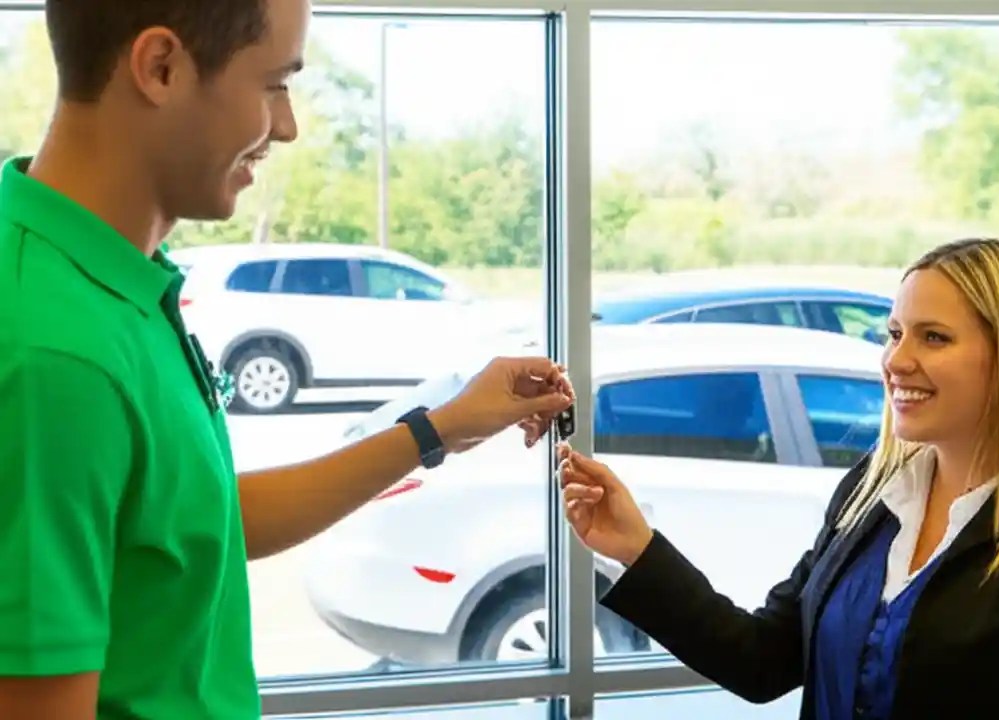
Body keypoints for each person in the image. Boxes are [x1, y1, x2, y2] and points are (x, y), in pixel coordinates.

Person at [0, 1, 574, 718]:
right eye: (274, 84)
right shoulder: (52, 354)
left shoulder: (109, 278)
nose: (287, 126)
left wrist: (442, 429)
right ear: (161, 67)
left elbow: (188, 521)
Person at [558, 237, 999, 720]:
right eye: (894, 334)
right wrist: (636, 550)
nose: (896, 361)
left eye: (934, 337)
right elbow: (762, 660)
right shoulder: (870, 495)